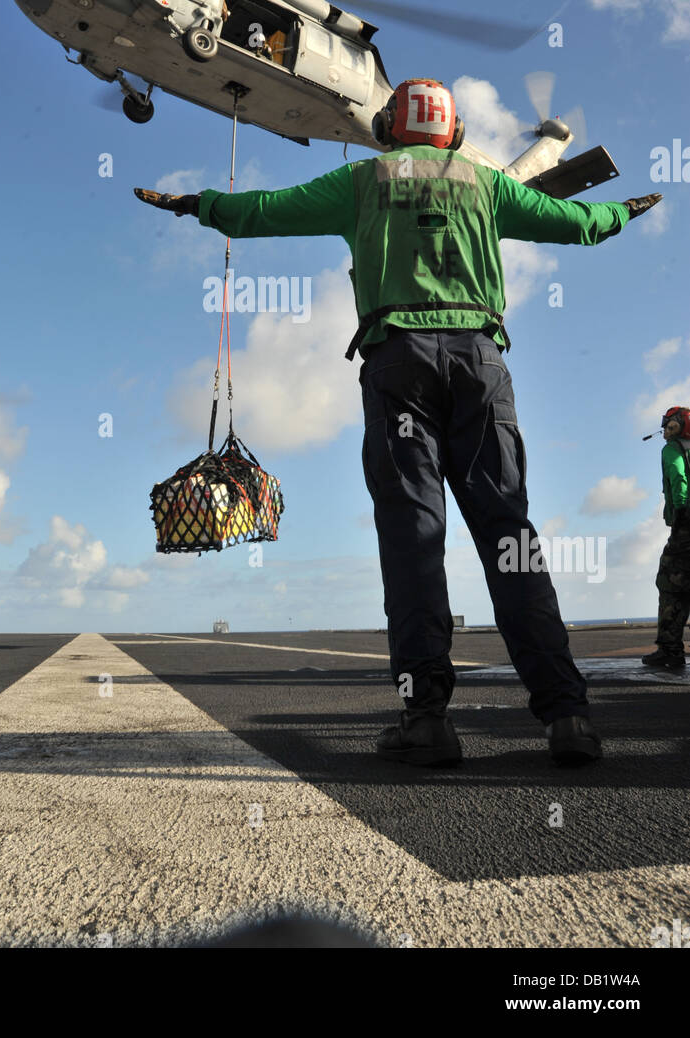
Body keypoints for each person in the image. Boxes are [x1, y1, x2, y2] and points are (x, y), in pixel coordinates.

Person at [134, 77, 662, 766]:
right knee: (510, 536)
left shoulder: (364, 178)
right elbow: (575, 227)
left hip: (398, 366)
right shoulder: (484, 184)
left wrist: (194, 204)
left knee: (413, 540)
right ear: (455, 132)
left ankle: (427, 720)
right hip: (479, 362)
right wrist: (621, 212)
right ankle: (566, 718)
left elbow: (261, 211)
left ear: (388, 127)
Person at [642, 406, 690, 671]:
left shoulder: (672, 450)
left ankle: (670, 650)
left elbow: (678, 477)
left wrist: (681, 510)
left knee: (670, 583)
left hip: (686, 527)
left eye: (668, 421)